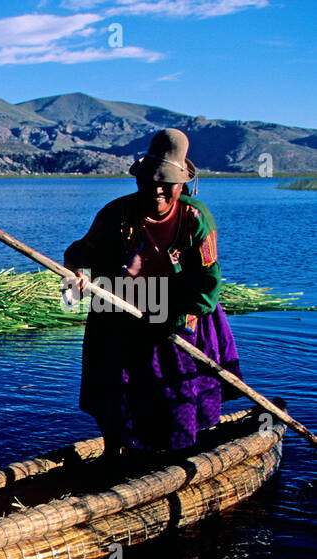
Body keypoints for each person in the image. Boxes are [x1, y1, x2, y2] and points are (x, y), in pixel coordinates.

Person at [63, 128, 242, 465]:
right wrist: (76, 276)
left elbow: (207, 284)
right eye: (150, 181)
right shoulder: (115, 215)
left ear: (183, 184)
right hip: (121, 309)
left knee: (178, 391)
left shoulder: (196, 219)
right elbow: (76, 254)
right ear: (138, 180)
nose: (158, 190)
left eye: (168, 182)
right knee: (116, 389)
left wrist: (169, 321)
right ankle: (114, 455)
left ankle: (184, 458)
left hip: (180, 310)